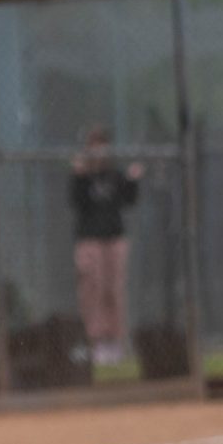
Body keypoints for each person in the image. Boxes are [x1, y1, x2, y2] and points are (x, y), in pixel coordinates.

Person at [70, 126, 141, 368]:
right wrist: (78, 176)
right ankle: (95, 342)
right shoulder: (83, 175)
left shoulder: (115, 175)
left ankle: (114, 343)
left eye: (103, 145)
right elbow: (75, 202)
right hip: (89, 238)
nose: (99, 150)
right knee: (93, 288)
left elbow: (129, 200)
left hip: (114, 237)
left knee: (114, 289)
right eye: (94, 145)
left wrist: (133, 180)